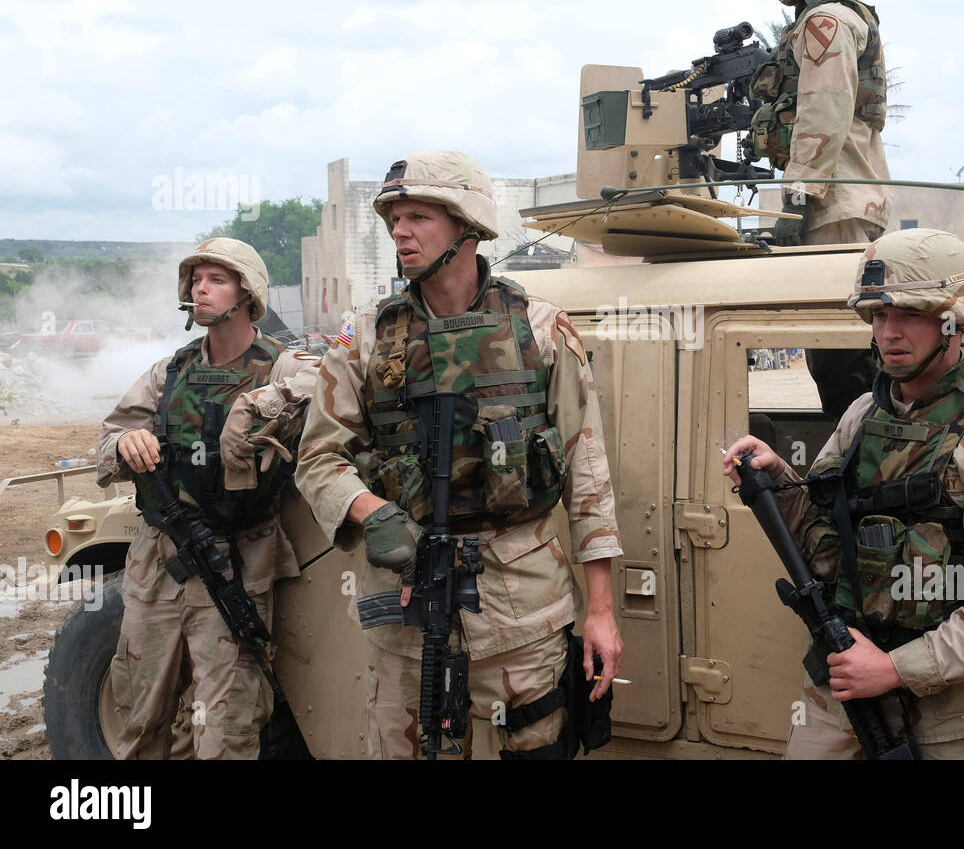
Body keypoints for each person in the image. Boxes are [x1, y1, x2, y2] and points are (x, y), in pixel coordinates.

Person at [293, 150, 624, 759]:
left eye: (418, 215)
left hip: (522, 608)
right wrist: (374, 513)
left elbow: (588, 474)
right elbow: (317, 458)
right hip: (407, 608)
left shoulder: (542, 329)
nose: (399, 230)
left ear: (467, 226)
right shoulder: (365, 338)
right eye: (394, 218)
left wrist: (601, 611)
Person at [724, 229, 964, 759]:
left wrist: (893, 669)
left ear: (955, 320)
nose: (890, 332)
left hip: (947, 709)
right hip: (844, 685)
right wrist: (777, 479)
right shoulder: (862, 416)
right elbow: (825, 539)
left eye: (911, 315)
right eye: (878, 315)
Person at [98, 238, 319, 759]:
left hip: (235, 564)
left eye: (216, 279)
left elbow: (328, 391)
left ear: (249, 293)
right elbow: (109, 439)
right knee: (140, 721)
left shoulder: (283, 368)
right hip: (159, 565)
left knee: (228, 733)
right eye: (196, 279)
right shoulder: (169, 373)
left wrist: (271, 400)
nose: (200, 288)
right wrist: (126, 444)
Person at [750, 0, 892, 420]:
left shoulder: (826, 19)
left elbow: (824, 110)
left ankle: (859, 464)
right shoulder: (829, 18)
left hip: (833, 201)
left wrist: (799, 197)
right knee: (844, 347)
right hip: (843, 196)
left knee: (840, 350)